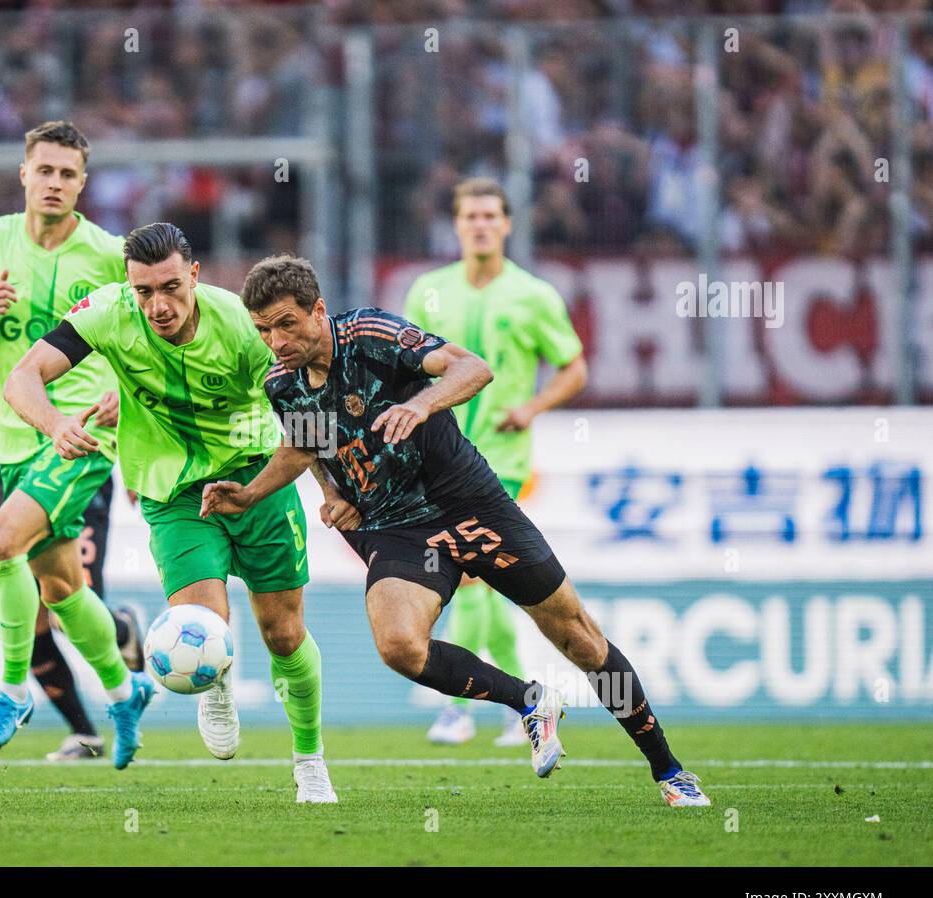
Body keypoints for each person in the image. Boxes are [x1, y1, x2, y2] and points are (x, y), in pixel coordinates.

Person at [202, 254, 709, 808]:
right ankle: (529, 700)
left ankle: (669, 770)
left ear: (318, 311)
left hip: (469, 504)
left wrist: (421, 404)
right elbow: (307, 445)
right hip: (397, 528)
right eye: (263, 330)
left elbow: (473, 368)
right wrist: (288, 493)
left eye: (286, 324)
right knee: (398, 644)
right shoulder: (284, 384)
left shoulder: (372, 335)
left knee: (578, 638)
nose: (276, 342)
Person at [4, 222, 338, 803]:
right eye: (143, 291)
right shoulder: (108, 313)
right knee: (205, 625)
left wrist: (331, 490)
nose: (157, 305)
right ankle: (215, 682)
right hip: (174, 493)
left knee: (284, 634)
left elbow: (303, 412)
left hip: (256, 475)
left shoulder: (240, 325)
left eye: (170, 288)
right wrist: (56, 424)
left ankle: (309, 758)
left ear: (195, 275)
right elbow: (22, 377)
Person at [0, 120, 154, 767]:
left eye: (67, 174)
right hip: (13, 442)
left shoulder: (111, 257)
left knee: (0, 542)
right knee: (59, 591)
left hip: (82, 437)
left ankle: (11, 692)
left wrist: (134, 422)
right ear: (23, 173)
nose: (54, 183)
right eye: (44, 170)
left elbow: (151, 340)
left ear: (83, 184)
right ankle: (124, 686)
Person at [404, 177, 588, 747]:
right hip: (439, 457)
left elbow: (573, 367)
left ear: (507, 224)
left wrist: (531, 407)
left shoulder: (533, 295)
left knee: (478, 580)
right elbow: (406, 364)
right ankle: (520, 705)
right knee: (484, 581)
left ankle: (462, 711)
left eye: (491, 216)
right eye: (471, 216)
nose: (481, 225)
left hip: (500, 461)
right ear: (457, 225)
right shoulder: (428, 291)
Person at [0, 341, 146, 762]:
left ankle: (11, 692)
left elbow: (135, 347)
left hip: (79, 449)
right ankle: (92, 727)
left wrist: (135, 451)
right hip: (18, 460)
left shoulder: (95, 296)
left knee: (9, 550)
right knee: (53, 596)